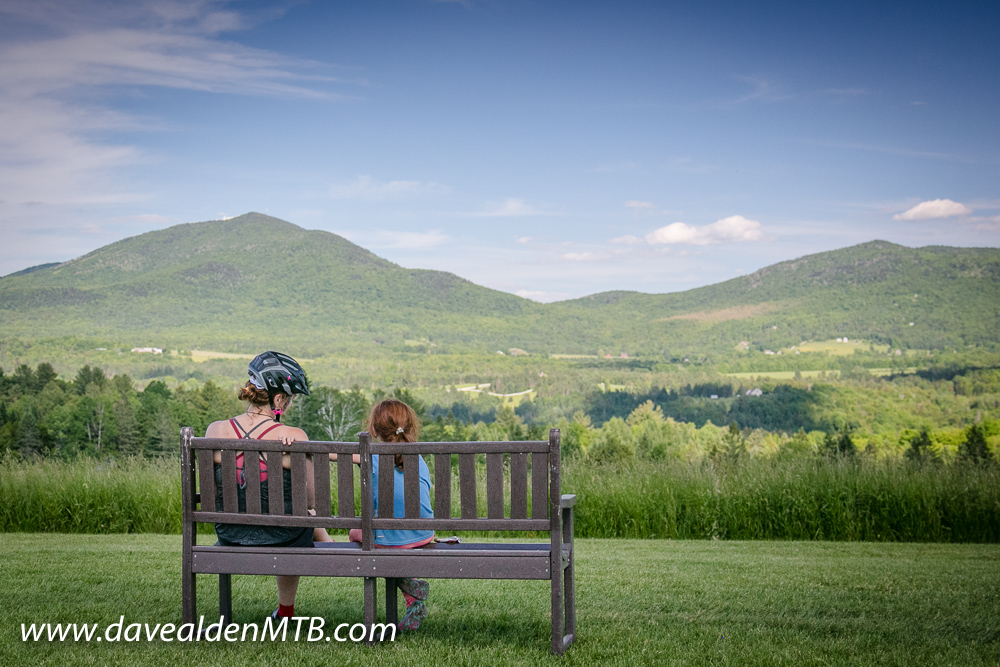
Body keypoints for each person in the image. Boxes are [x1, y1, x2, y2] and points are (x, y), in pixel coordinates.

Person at [204, 351, 332, 621]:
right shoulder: (294, 436)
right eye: (289, 399)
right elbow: (311, 501)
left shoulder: (215, 430)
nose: (288, 405)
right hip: (284, 536)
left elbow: (210, 493)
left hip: (229, 532)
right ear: (277, 399)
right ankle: (286, 611)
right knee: (301, 517)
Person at [347, 399, 434, 631]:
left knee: (357, 534)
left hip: (388, 539)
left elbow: (334, 455)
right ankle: (412, 597)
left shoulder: (370, 457)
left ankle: (409, 586)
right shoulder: (419, 459)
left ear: (373, 430)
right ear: (409, 428)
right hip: (423, 534)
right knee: (388, 542)